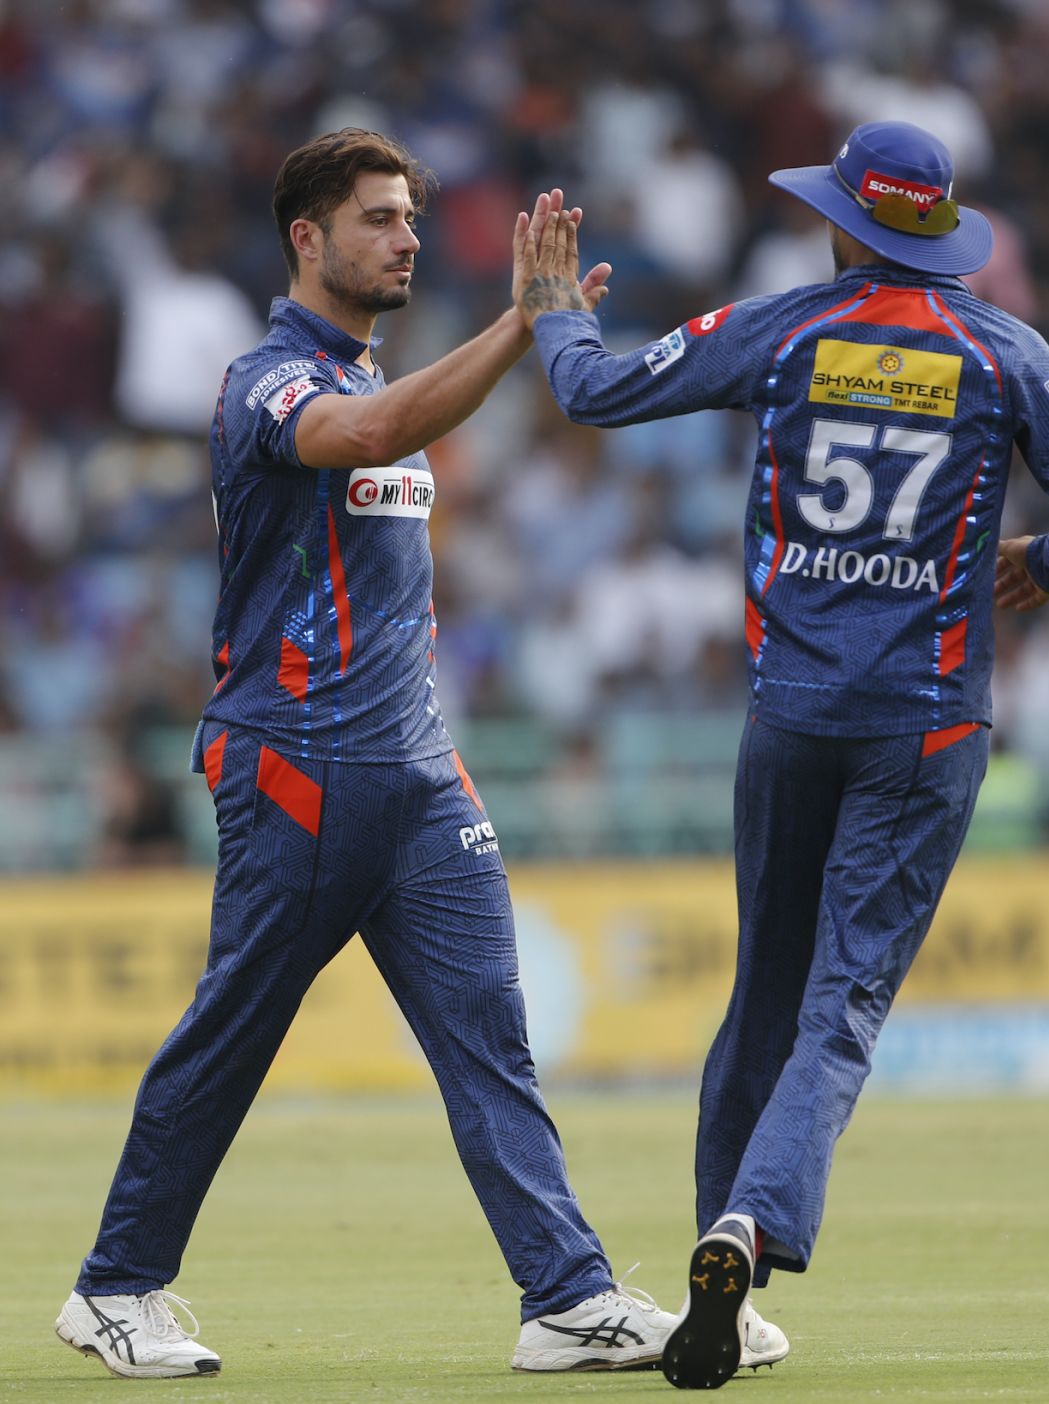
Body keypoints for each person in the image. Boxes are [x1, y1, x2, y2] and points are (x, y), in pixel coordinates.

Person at [515, 120, 1049, 1390]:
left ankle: (723, 1282)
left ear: (848, 223)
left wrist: (549, 314)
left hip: (790, 718)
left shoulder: (790, 325)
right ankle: (751, 1229)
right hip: (927, 727)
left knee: (762, 999)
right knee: (842, 1008)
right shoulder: (1006, 351)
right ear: (937, 229)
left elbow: (592, 390)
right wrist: (1042, 565)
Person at [55, 127, 680, 1381]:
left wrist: (519, 326)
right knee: (234, 1031)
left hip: (416, 769)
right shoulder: (266, 383)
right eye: (381, 218)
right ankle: (115, 1288)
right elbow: (378, 430)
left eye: (408, 217)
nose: (406, 238)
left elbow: (391, 430)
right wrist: (522, 325)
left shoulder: (363, 370)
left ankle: (565, 1295)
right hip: (294, 763)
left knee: (489, 1037)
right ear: (310, 236)